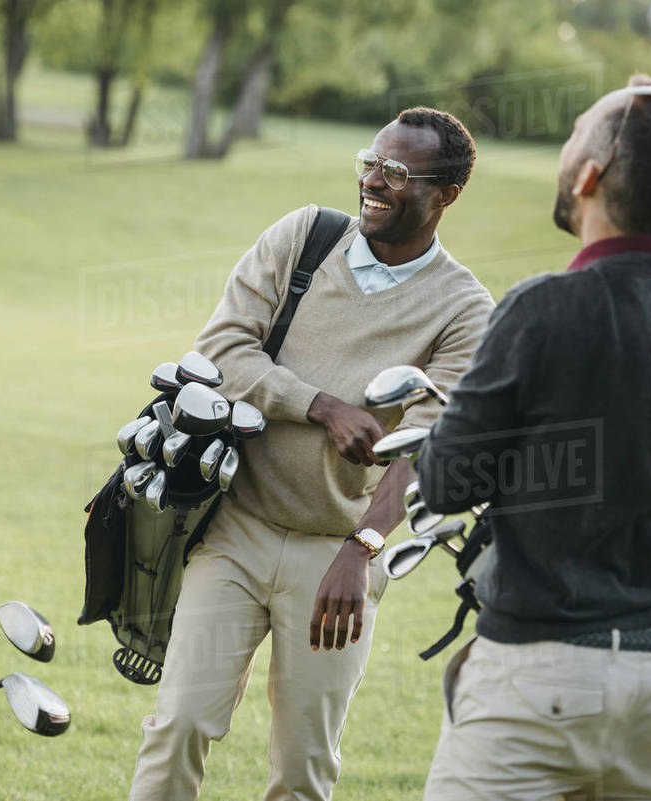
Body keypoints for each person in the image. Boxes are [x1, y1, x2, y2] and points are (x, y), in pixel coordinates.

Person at [127, 107, 495, 801]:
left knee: (302, 766)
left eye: (396, 172)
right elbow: (221, 350)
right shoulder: (305, 237)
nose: (374, 182)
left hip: (339, 554)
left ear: (445, 194)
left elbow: (426, 445)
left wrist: (363, 548)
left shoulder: (465, 308)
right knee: (177, 723)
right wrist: (321, 406)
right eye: (370, 163)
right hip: (236, 527)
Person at [417, 75, 651, 801]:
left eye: (572, 136)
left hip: (537, 678)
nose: (565, 151)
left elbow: (446, 480)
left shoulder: (540, 308)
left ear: (590, 175)